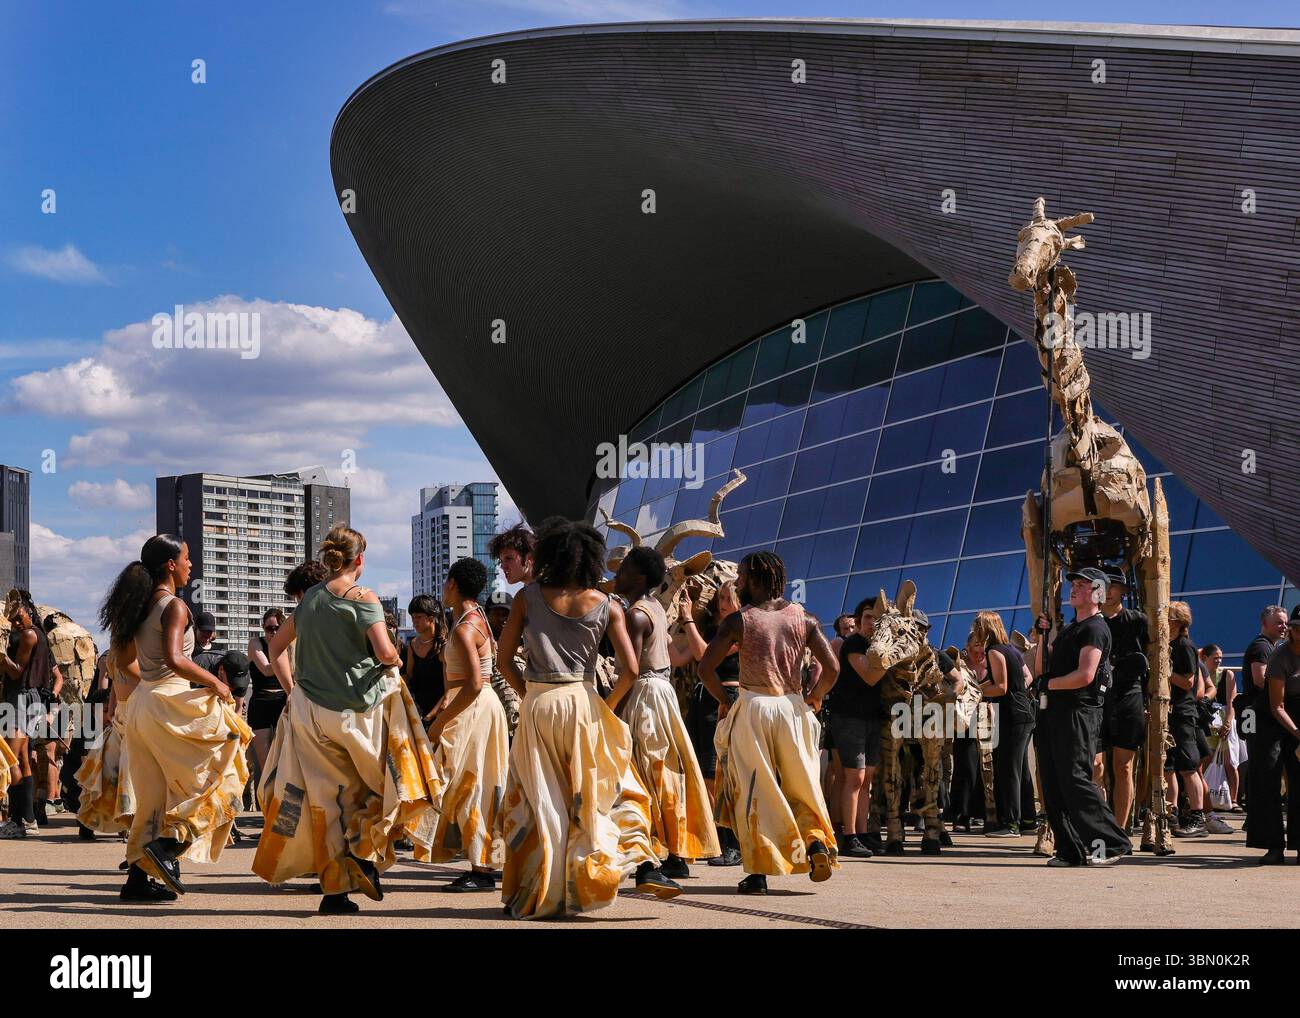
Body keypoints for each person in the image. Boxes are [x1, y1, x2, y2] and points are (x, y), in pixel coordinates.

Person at [496, 518, 679, 917]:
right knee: (606, 787)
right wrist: (605, 708)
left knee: (543, 797)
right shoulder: (608, 604)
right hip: (583, 700)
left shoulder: (527, 598)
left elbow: (503, 660)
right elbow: (630, 670)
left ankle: (542, 889)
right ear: (591, 559)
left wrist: (529, 695)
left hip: (539, 703)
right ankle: (629, 864)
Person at [253, 525, 441, 914]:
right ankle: (364, 853)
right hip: (358, 711)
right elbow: (387, 651)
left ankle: (334, 891)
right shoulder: (362, 598)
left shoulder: (310, 601)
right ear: (360, 559)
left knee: (326, 801)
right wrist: (391, 657)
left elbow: (275, 646)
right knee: (379, 787)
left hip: (310, 713)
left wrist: (294, 691)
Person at [104, 535, 250, 899]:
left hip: (141, 705)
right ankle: (169, 846)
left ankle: (137, 879)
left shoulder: (138, 605)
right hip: (168, 703)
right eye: (187, 558)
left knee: (152, 796)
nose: (190, 565)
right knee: (223, 772)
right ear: (170, 564)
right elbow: (176, 657)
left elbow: (122, 661)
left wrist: (151, 684)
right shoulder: (174, 606)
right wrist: (215, 682)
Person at [700, 551, 840, 895]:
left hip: (754, 706)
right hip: (792, 708)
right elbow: (833, 668)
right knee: (803, 783)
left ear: (757, 580)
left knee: (755, 791)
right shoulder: (804, 618)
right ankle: (815, 843)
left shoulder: (739, 620)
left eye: (743, 578)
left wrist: (722, 699)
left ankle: (758, 873)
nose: (739, 584)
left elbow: (705, 668)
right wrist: (814, 697)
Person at [609, 547, 718, 878]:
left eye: (624, 570)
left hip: (643, 695)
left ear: (640, 578)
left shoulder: (635, 615)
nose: (617, 575)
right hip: (662, 693)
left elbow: (629, 669)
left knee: (643, 773)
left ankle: (652, 852)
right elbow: (675, 657)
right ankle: (675, 851)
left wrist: (610, 708)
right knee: (667, 772)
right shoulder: (655, 608)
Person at [1030, 567, 1132, 866]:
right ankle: (1069, 850)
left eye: (1082, 584)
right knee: (1052, 784)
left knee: (1075, 780)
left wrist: (1048, 684)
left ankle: (1111, 845)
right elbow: (1040, 669)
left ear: (1098, 593)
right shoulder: (1071, 630)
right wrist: (1041, 636)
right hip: (1054, 714)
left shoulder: (1096, 628)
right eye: (1073, 583)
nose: (1073, 588)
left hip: (1077, 713)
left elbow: (1085, 676)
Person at [426, 558, 509, 892]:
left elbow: (473, 682)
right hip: (482, 706)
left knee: (470, 784)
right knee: (486, 783)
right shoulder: (479, 618)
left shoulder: (464, 627)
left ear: (452, 584)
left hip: (472, 708)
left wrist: (440, 722)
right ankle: (487, 862)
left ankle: (481, 868)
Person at [686, 579, 743, 867]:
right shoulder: (713, 629)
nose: (722, 602)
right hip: (704, 701)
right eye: (720, 596)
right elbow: (678, 654)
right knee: (705, 772)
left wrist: (687, 620)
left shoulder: (739, 628)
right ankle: (716, 839)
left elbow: (703, 655)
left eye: (728, 597)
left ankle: (729, 841)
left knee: (719, 773)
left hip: (727, 697)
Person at [0, 590, 63, 836]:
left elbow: (16, 672)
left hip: (21, 699)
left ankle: (18, 819)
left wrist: (3, 659)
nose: (16, 623)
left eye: (19, 617)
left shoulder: (28, 635)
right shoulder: (40, 636)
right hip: (31, 699)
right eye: (13, 620)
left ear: (29, 612)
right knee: (24, 759)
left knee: (9, 759)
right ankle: (27, 819)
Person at [1096, 570, 1149, 832]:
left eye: (1112, 586)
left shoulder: (1137, 621)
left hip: (1129, 695)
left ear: (1123, 591)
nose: (1107, 591)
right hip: (1098, 698)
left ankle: (1120, 828)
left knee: (1123, 766)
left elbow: (1153, 662)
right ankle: (1100, 825)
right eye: (1103, 585)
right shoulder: (1090, 621)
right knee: (1096, 767)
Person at [1247, 605, 1300, 865]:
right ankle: (1273, 846)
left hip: (1298, 714)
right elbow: (1276, 705)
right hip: (1271, 718)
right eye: (1297, 628)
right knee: (1267, 775)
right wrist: (1298, 732)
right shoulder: (1279, 655)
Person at [975, 610, 1035, 837]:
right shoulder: (1011, 649)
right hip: (1024, 713)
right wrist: (1019, 691)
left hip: (1011, 715)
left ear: (984, 628)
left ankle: (1011, 824)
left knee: (1008, 769)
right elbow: (1027, 677)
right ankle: (1028, 819)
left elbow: (1000, 687)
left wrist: (976, 690)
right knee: (1021, 769)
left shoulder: (993, 651)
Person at [831, 597, 883, 858]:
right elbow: (870, 676)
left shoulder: (877, 645)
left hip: (874, 717)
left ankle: (862, 834)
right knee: (855, 777)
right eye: (867, 617)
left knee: (867, 779)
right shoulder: (854, 643)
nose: (872, 622)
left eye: (876, 618)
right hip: (849, 716)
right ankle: (849, 836)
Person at [1165, 601, 1210, 838]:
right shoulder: (1167, 645)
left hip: (1183, 711)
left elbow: (1188, 682)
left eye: (1168, 616)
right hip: (1168, 712)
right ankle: (1170, 813)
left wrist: (1164, 672)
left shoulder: (1184, 646)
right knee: (1169, 766)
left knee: (1188, 766)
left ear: (1179, 621)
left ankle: (1197, 816)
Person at [1240, 606, 1287, 815]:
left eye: (1285, 622)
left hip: (1256, 716)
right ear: (1264, 623)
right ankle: (1258, 814)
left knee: (1259, 763)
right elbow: (1260, 681)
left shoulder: (1270, 647)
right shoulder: (1262, 647)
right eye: (1278, 622)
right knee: (1262, 763)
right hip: (1258, 717)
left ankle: (1255, 814)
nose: (1283, 626)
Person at [246, 608, 289, 778]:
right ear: (263, 627)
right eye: (269, 628)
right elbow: (266, 669)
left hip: (282, 702)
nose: (274, 632)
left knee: (285, 760)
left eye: (278, 628)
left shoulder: (287, 645)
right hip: (261, 702)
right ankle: (265, 802)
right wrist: (290, 660)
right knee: (265, 765)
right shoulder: (256, 644)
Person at [1202, 643, 1243, 812]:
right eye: (1215, 658)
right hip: (1206, 722)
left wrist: (1227, 722)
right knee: (1205, 760)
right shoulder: (1200, 673)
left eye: (1220, 657)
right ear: (1205, 658)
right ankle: (1204, 800)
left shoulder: (1227, 675)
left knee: (1230, 762)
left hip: (1224, 720)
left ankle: (1233, 800)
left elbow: (1231, 702)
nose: (1219, 661)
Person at [404, 594, 447, 723]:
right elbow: (409, 679)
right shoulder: (412, 646)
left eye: (419, 617)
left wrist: (429, 717)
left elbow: (449, 690)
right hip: (416, 713)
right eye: (412, 617)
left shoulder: (444, 646)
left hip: (439, 715)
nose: (414, 621)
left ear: (432, 617)